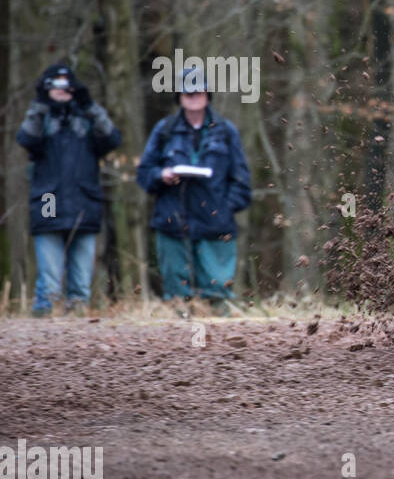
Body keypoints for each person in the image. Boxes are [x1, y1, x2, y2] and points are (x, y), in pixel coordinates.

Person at [136, 66, 251, 316]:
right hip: (173, 220)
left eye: (199, 93)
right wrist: (161, 175)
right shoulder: (164, 130)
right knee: (178, 294)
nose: (194, 98)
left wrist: (223, 208)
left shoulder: (226, 131)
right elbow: (144, 173)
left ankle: (220, 344)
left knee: (218, 291)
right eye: (188, 94)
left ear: (208, 94)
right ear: (179, 97)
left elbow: (242, 181)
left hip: (215, 223)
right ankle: (180, 345)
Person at [16, 64, 122, 316]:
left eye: (67, 85)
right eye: (55, 84)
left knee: (81, 277)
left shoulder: (85, 118)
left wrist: (89, 105)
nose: (61, 90)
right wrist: (41, 104)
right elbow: (26, 140)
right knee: (50, 272)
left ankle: (78, 316)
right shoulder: (41, 117)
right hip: (49, 198)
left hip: (84, 198)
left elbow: (111, 139)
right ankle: (46, 315)